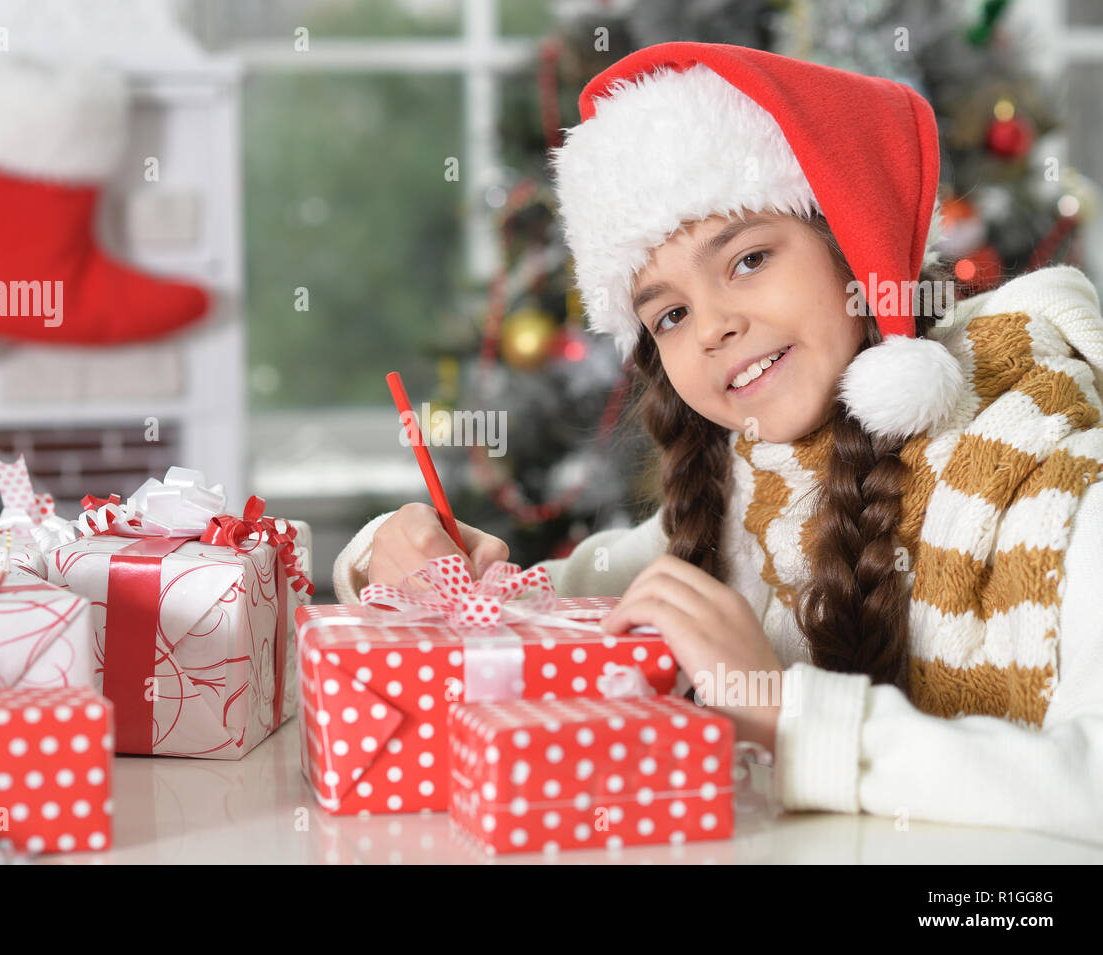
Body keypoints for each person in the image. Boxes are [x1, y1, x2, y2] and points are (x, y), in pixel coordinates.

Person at [333, 42, 1103, 844]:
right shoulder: (743, 500)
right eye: (668, 313)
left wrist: (788, 714)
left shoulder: (1057, 484)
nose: (712, 328)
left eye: (749, 259)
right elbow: (535, 611)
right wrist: (404, 561)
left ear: (856, 246)